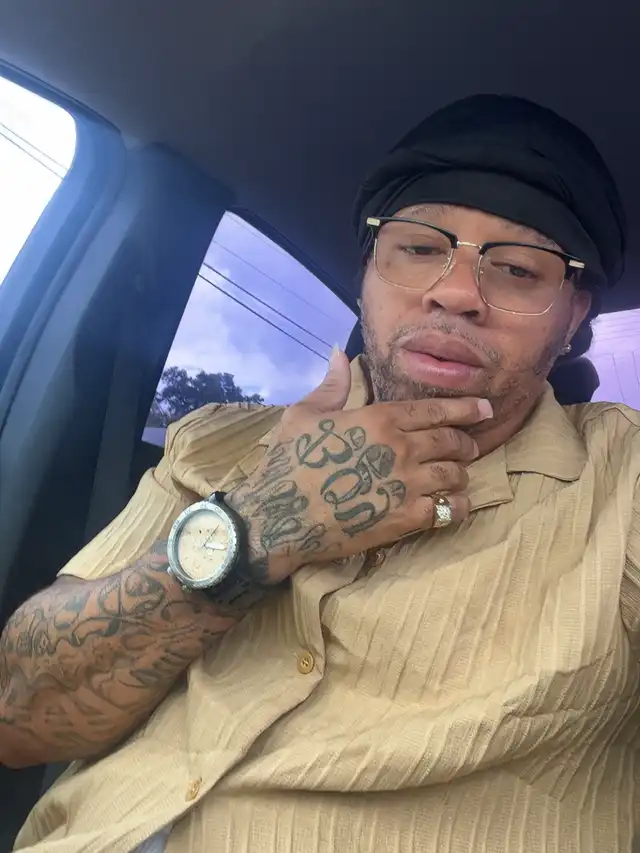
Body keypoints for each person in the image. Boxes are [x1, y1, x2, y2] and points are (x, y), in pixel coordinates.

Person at [1, 94, 638, 853]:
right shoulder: (215, 444)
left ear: (572, 316)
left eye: (518, 269)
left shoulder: (622, 483)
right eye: (419, 247)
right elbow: (19, 715)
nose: (457, 292)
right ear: (368, 269)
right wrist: (261, 525)